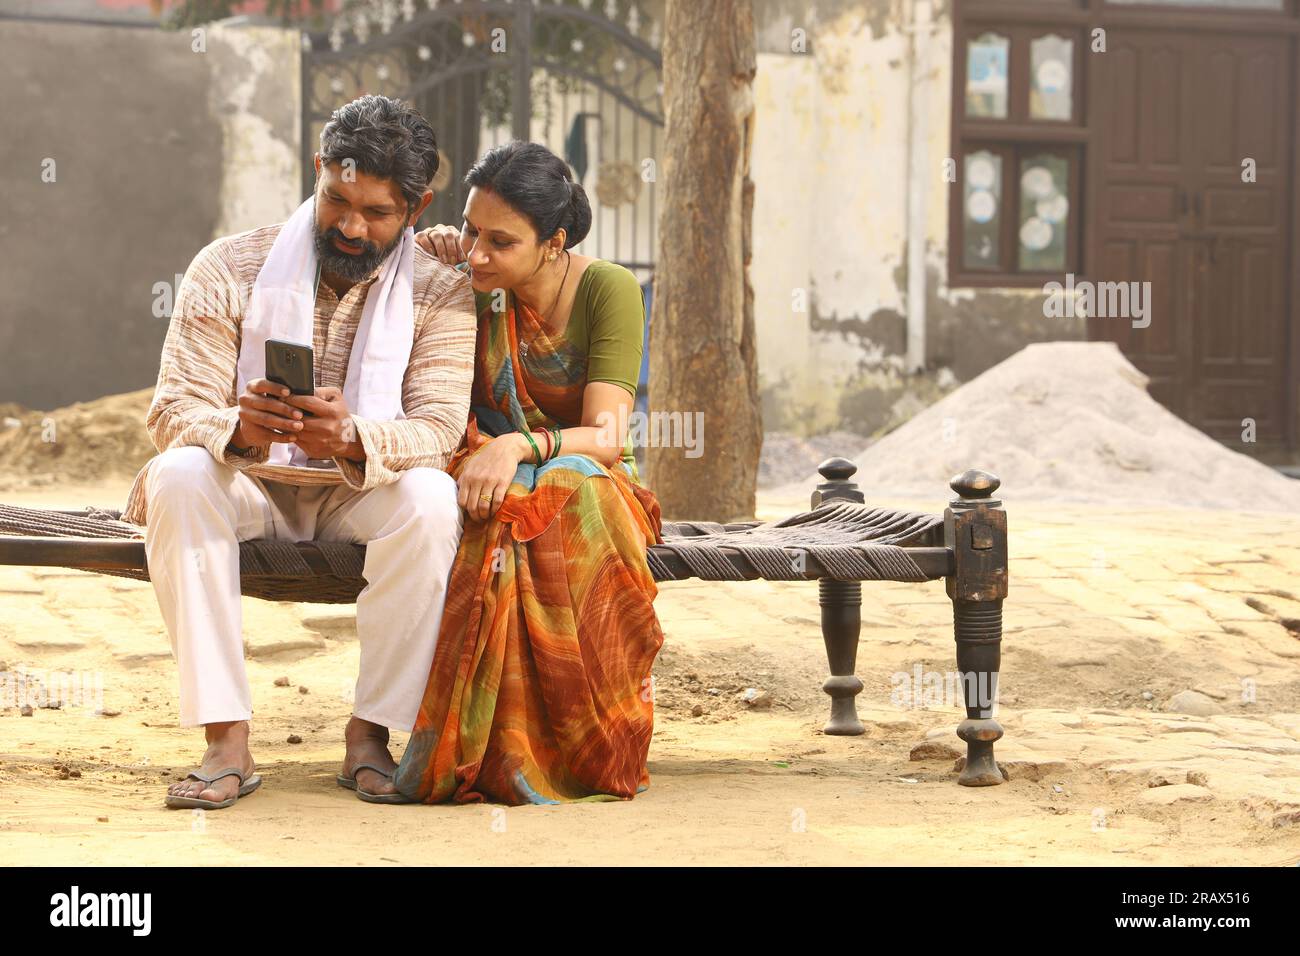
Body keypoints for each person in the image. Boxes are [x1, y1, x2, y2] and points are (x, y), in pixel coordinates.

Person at [120, 95, 477, 809]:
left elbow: (438, 429)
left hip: (357, 489)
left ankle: (369, 736)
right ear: (318, 170)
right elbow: (172, 408)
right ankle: (226, 742)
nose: (350, 225)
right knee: (180, 473)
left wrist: (354, 437)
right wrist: (241, 429)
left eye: (376, 212)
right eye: (336, 200)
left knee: (433, 499)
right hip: (248, 483)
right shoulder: (230, 265)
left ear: (417, 207)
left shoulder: (442, 290)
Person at [392, 140, 666, 804]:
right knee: (490, 505)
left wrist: (518, 446)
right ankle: (492, 749)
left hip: (593, 477)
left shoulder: (609, 289)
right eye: (470, 229)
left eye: (501, 241)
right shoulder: (473, 283)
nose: (477, 252)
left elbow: (606, 434)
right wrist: (420, 250)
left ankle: (585, 739)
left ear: (554, 241)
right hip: (487, 467)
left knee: (554, 492)